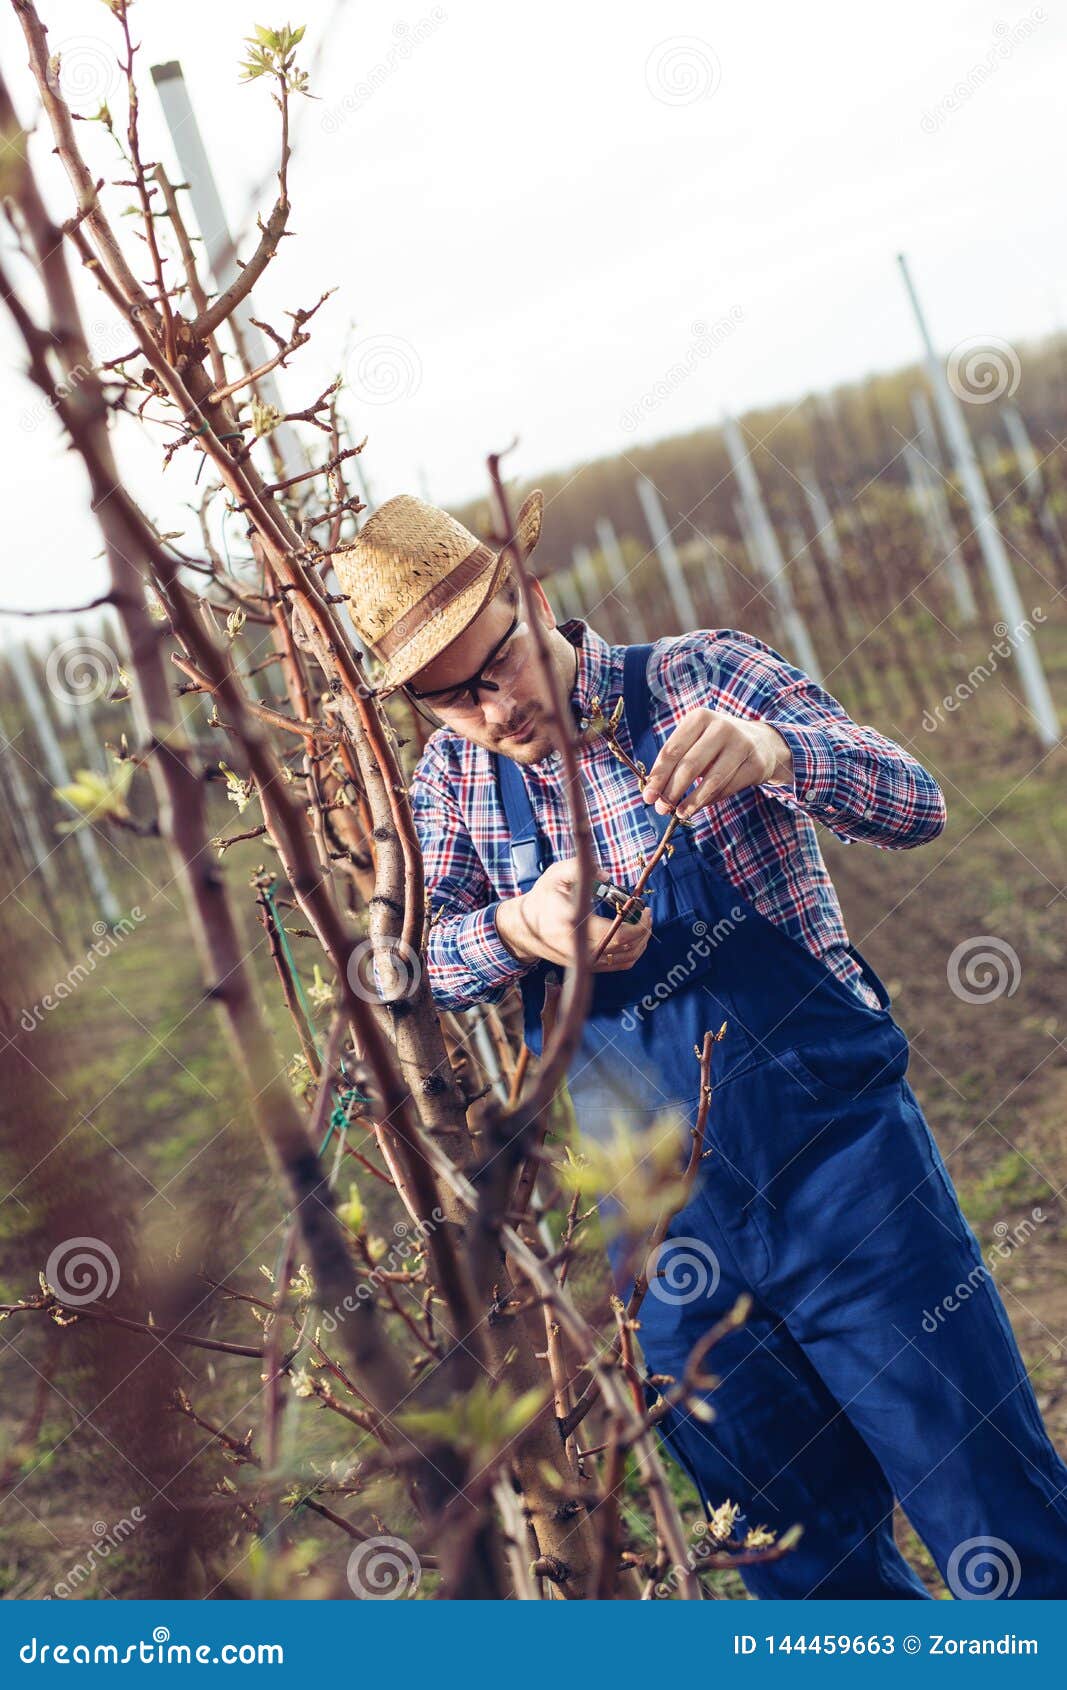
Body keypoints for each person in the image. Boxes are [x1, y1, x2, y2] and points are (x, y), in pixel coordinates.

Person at [336, 490, 1067, 1599]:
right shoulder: (453, 787)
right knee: (798, 1572)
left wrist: (775, 750)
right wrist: (523, 925)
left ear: (533, 600)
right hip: (667, 1246)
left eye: (500, 668)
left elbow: (914, 803)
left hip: (848, 1183)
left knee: (997, 1523)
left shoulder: (700, 674)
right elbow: (413, 964)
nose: (495, 709)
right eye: (452, 702)